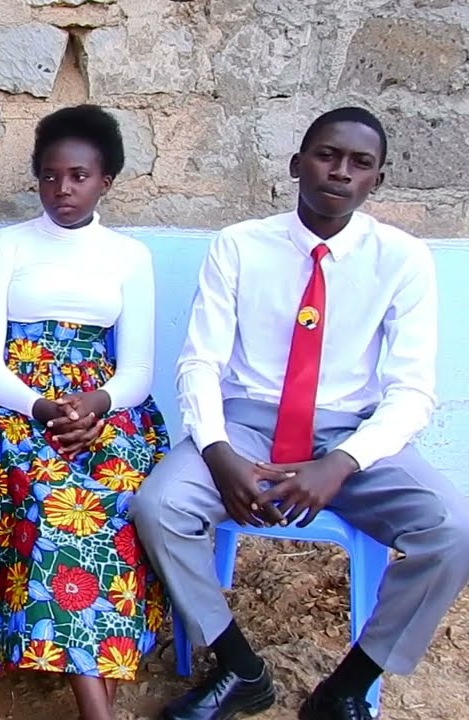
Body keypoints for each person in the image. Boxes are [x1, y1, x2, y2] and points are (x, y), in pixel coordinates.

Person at [130, 107, 469, 720]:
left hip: (352, 434)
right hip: (247, 425)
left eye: (359, 164)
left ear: (376, 182)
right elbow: (200, 362)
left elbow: (413, 390)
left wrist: (340, 463)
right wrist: (218, 453)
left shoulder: (403, 259)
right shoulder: (240, 246)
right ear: (296, 165)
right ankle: (238, 666)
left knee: (451, 529)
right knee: (160, 505)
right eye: (326, 155)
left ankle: (346, 688)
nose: (340, 172)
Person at [0, 105, 170, 720]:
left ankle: (88, 675)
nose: (64, 189)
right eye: (50, 176)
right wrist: (42, 405)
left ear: (106, 180)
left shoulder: (129, 256)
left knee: (118, 495)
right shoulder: (7, 246)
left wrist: (97, 404)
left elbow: (136, 370)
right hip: (17, 402)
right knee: (60, 504)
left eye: (79, 176)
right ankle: (95, 706)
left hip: (104, 404)